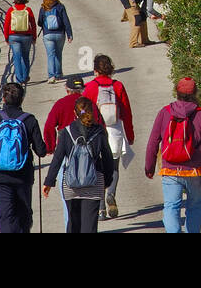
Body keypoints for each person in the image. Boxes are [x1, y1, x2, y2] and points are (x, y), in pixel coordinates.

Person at [0, 81, 47, 233]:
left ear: (3, 99)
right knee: (23, 213)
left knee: (6, 215)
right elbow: (41, 151)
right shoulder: (29, 120)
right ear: (22, 99)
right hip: (23, 176)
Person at [145, 76, 201, 234]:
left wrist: (149, 167)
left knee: (171, 206)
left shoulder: (165, 112)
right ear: (195, 93)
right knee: (194, 207)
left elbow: (153, 142)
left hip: (171, 170)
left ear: (177, 92)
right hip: (195, 171)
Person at [43, 96, 114, 234]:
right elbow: (107, 158)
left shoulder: (66, 132)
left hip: (71, 183)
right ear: (92, 112)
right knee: (90, 225)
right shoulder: (99, 131)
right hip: (94, 181)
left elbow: (57, 159)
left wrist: (49, 182)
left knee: (73, 223)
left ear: (75, 113)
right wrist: (108, 179)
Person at [83, 55, 134, 219]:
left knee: (97, 171)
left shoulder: (90, 87)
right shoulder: (118, 86)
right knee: (113, 168)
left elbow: (82, 111)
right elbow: (126, 111)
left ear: (95, 70)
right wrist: (130, 134)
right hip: (115, 130)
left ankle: (101, 209)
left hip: (96, 133)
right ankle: (111, 193)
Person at [43, 75, 90, 230]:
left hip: (66, 154)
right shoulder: (88, 105)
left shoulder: (61, 104)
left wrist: (50, 147)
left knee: (68, 199)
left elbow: (49, 126)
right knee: (87, 197)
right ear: (82, 89)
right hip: (88, 155)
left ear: (67, 89)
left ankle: (69, 227)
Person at [37, 0, 74, 84]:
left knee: (50, 55)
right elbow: (66, 21)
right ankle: (58, 75)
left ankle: (51, 76)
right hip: (60, 34)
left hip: (48, 35)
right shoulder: (60, 7)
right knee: (58, 54)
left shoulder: (43, 8)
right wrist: (69, 34)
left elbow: (39, 22)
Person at [2, 0, 36, 85]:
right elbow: (33, 24)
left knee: (16, 58)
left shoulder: (11, 10)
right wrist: (34, 37)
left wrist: (6, 38)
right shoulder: (28, 10)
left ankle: (19, 79)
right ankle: (25, 77)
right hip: (26, 36)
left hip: (13, 36)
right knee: (25, 57)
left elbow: (6, 25)